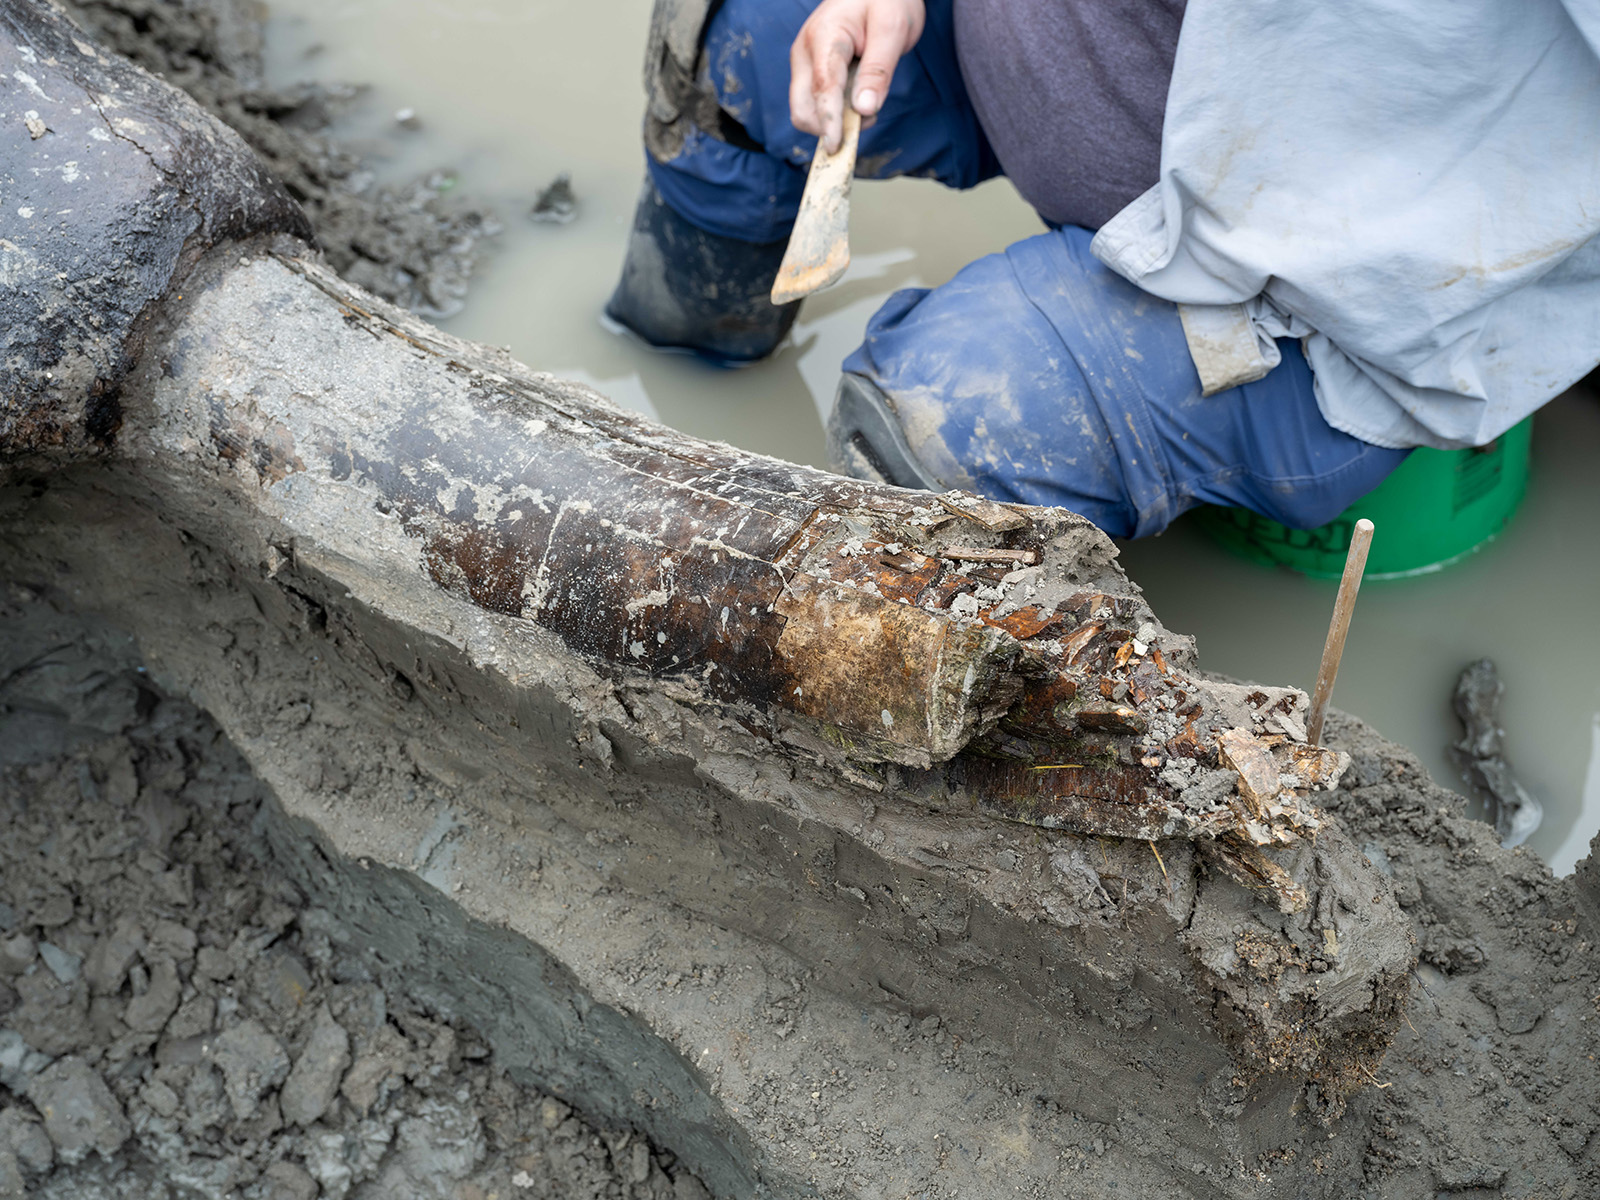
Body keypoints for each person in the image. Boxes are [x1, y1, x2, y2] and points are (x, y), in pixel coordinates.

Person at [606, 0, 1600, 539]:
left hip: (1315, 296)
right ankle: (665, 394)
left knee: (941, 435)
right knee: (736, 40)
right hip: (1077, 62)